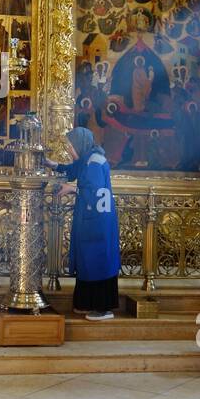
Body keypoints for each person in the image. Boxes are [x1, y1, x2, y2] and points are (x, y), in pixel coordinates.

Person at [52, 126, 122, 321]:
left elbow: (96, 194)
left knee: (97, 261)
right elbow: (72, 170)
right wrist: (52, 164)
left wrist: (72, 189)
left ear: (80, 144)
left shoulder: (95, 162)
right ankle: (85, 303)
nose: (69, 151)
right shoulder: (86, 158)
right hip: (90, 221)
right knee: (87, 262)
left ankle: (103, 308)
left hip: (98, 223)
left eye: (71, 147)